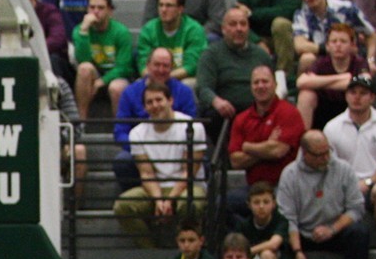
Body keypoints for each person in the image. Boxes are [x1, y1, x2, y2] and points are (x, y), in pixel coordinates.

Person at [113, 82, 207, 247]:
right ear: (144, 107)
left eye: (159, 100)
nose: (155, 105)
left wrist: (169, 200)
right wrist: (159, 200)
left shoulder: (193, 127)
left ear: (170, 100)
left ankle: (184, 251)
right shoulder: (137, 133)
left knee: (189, 204)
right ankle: (150, 252)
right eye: (149, 102)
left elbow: (189, 172)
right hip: (156, 187)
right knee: (123, 206)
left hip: (189, 186)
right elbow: (147, 174)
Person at [278, 130, 369, 259]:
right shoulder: (290, 174)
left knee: (359, 233)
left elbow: (356, 208)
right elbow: (288, 217)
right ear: (305, 154)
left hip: (335, 230)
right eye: (319, 155)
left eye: (327, 152)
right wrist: (297, 250)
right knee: (279, 239)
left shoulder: (343, 169)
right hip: (302, 234)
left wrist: (332, 229)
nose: (326, 158)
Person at [324, 72, 376, 239]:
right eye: (353, 92)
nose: (357, 97)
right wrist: (349, 184)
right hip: (344, 183)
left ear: (372, 97)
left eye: (363, 93)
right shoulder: (332, 127)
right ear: (346, 96)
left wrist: (368, 182)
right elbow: (329, 164)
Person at [114, 48, 199, 189]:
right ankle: (141, 197)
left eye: (166, 66)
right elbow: (120, 132)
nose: (161, 70)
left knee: (203, 161)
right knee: (122, 161)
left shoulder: (184, 92)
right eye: (157, 65)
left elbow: (192, 127)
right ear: (147, 66)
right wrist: (143, 150)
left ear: (172, 68)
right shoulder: (130, 93)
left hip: (176, 150)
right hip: (141, 151)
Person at [228, 65, 306, 212]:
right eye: (256, 82)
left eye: (265, 81)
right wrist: (267, 146)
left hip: (283, 188)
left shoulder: (289, 113)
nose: (260, 86)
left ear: (275, 84)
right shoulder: (241, 119)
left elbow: (278, 151)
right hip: (253, 189)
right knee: (223, 203)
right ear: (251, 87)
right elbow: (235, 161)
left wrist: (247, 147)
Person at [195, 5, 276, 133]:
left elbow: (274, 85)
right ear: (223, 29)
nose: (239, 29)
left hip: (257, 111)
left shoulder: (261, 55)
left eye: (243, 24)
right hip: (224, 113)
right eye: (233, 24)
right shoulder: (211, 54)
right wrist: (217, 102)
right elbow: (203, 88)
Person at [291, 0, 376, 76]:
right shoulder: (301, 15)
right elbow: (300, 45)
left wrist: (371, 59)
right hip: (322, 61)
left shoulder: (346, 9)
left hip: (350, 59)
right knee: (306, 59)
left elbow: (371, 35)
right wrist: (330, 49)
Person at [294, 21, 371, 129]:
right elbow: (301, 82)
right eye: (334, 41)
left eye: (343, 41)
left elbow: (364, 82)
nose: (338, 45)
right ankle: (303, 137)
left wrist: (318, 82)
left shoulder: (359, 62)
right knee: (306, 94)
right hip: (323, 109)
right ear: (328, 46)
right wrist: (341, 78)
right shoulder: (321, 63)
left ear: (352, 45)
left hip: (349, 108)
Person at [73, 0, 134, 120]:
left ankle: (119, 127)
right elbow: (83, 59)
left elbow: (123, 67)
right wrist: (84, 31)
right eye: (92, 7)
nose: (95, 11)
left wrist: (103, 81)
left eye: (101, 8)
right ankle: (81, 122)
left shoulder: (121, 32)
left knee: (116, 87)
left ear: (110, 11)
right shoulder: (80, 30)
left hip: (116, 76)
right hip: (94, 74)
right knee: (84, 68)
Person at [238, 0, 302, 76]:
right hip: (258, 37)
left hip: (290, 37)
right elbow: (241, 18)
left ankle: (284, 77)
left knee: (280, 24)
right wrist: (257, 41)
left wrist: (252, 13)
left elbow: (289, 11)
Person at [136, 0, 209, 85]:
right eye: (160, 5)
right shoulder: (148, 29)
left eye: (169, 6)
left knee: (187, 84)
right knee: (139, 84)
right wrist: (155, 79)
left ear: (180, 9)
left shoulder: (194, 30)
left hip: (184, 78)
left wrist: (163, 78)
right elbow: (143, 64)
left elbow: (191, 67)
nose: (163, 10)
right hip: (154, 78)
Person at [232, 180, 292, 259]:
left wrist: (248, 252)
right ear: (249, 205)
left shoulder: (280, 221)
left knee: (266, 255)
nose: (261, 206)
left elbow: (274, 244)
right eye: (256, 202)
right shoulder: (244, 225)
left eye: (266, 202)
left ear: (274, 204)